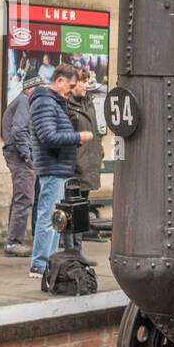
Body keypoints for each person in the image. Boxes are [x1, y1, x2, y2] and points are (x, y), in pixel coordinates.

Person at [29, 63, 93, 280]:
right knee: (48, 218)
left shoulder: (54, 102)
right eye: (71, 85)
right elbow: (49, 137)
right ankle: (39, 264)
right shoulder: (45, 103)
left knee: (56, 218)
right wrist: (78, 138)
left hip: (59, 169)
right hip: (53, 168)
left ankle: (48, 262)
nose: (71, 89)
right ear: (59, 81)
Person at [2, 76, 42, 256]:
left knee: (20, 197)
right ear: (29, 88)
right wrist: (27, 154)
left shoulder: (22, 100)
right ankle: (13, 243)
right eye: (39, 88)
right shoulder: (25, 101)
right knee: (25, 198)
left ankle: (13, 240)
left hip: (15, 153)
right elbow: (19, 129)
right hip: (19, 155)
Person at [66, 68, 105, 198]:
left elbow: (96, 131)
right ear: (73, 83)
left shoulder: (89, 102)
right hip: (75, 169)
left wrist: (99, 151)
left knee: (82, 207)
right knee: (71, 210)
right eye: (83, 81)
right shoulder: (66, 104)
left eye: (88, 81)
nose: (87, 85)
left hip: (89, 165)